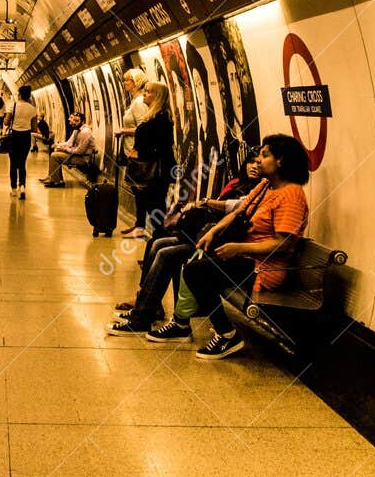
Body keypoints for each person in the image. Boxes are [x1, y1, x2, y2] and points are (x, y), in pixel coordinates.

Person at [148, 134, 311, 360]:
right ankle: (180, 322)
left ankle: (226, 334)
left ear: (280, 161)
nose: (258, 161)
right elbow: (238, 212)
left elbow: (283, 243)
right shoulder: (266, 186)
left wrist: (238, 247)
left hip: (263, 268)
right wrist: (214, 232)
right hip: (244, 257)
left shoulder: (291, 195)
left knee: (197, 270)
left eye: (265, 155)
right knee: (188, 258)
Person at [110, 153, 262, 335]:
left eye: (260, 162)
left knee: (168, 253)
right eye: (252, 161)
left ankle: (149, 316)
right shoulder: (239, 183)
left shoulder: (263, 191)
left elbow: (236, 207)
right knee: (157, 243)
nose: (255, 166)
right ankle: (147, 305)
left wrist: (205, 203)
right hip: (211, 236)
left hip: (223, 244)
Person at [123, 81, 174, 235]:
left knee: (156, 209)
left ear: (158, 96)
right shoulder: (155, 116)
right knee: (154, 209)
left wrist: (138, 152)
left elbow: (159, 145)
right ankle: (155, 247)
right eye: (145, 91)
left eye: (149, 92)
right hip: (153, 170)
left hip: (154, 172)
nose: (144, 94)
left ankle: (157, 246)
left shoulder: (160, 119)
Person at [117, 68, 150, 232]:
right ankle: (139, 224)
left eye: (127, 80)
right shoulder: (135, 101)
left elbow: (143, 128)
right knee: (136, 189)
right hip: (131, 150)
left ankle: (141, 225)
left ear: (136, 82)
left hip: (136, 152)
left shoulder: (139, 103)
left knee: (139, 189)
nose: (125, 83)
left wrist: (124, 131)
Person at [40, 110, 97, 186]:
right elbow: (69, 143)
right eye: (74, 120)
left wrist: (64, 149)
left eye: (77, 121)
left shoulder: (85, 132)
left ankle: (56, 181)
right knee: (55, 151)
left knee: (55, 156)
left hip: (83, 159)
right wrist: (58, 145)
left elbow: (80, 151)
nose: (74, 122)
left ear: (83, 122)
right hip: (76, 155)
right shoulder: (77, 130)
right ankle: (52, 177)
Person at [4, 85, 37, 199]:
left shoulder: (12, 105)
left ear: (21, 95)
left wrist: (10, 120)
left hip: (14, 137)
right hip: (26, 137)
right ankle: (22, 187)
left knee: (13, 163)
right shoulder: (33, 109)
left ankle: (13, 189)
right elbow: (34, 128)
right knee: (22, 163)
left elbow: (6, 122)